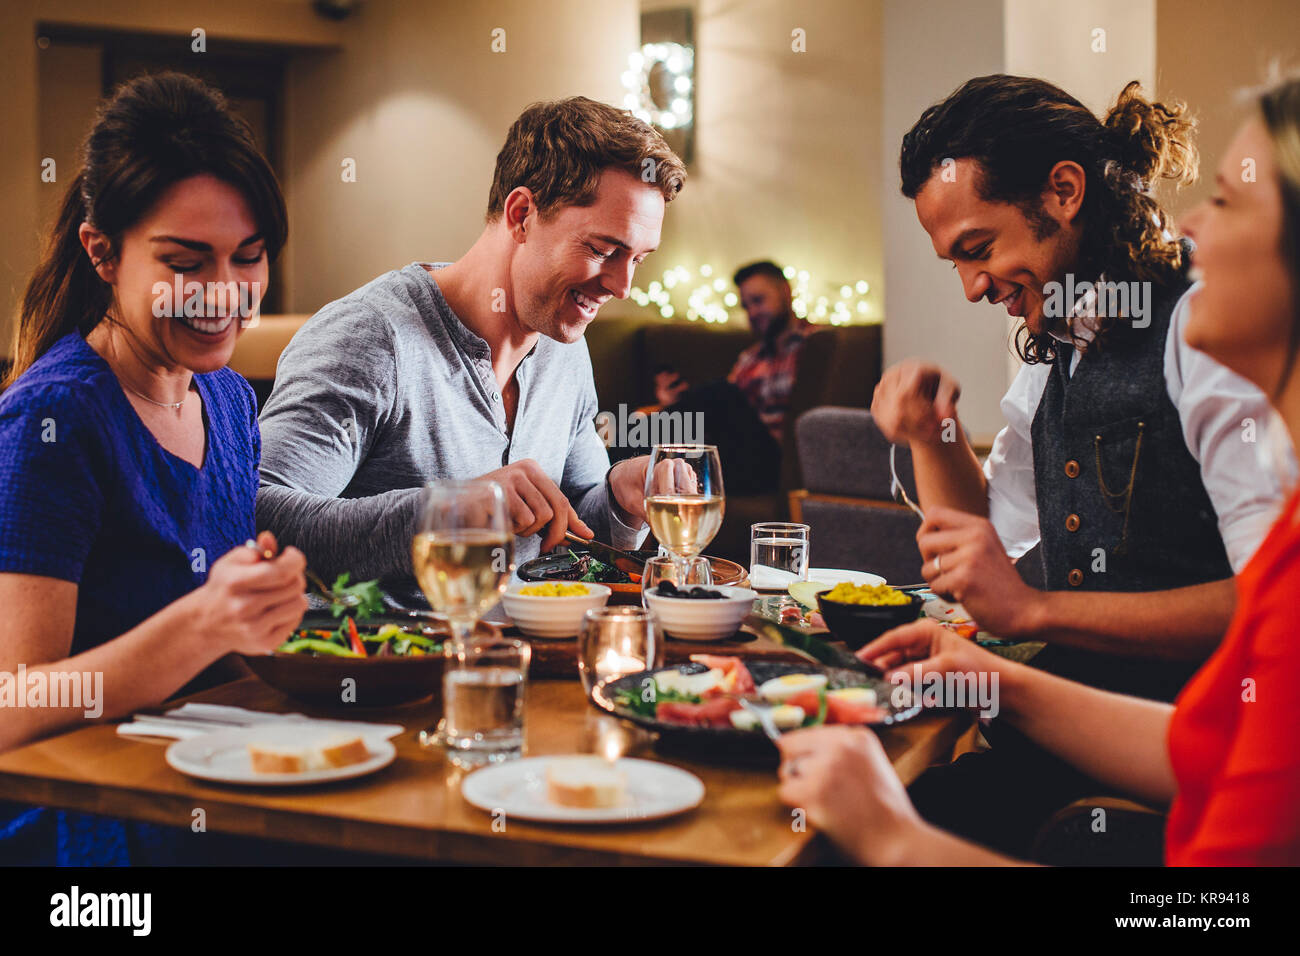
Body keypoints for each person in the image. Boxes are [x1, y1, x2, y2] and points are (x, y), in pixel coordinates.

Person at [778, 76, 1300, 867]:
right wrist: (933, 434)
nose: (972, 285)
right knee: (832, 830)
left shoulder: (1204, 335)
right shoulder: (1059, 346)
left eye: (979, 250)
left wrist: (1036, 616)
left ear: (1063, 191)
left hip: (1164, 740)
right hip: (1080, 730)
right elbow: (986, 562)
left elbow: (1260, 612)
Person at [0, 73, 308, 864]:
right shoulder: (58, 420)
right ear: (102, 251)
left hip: (205, 782)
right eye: (185, 263)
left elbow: (228, 653)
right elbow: (14, 701)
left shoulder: (231, 400)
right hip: (87, 826)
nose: (224, 296)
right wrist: (204, 624)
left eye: (248, 258)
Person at [256, 98, 686, 605]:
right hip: (385, 669)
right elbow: (259, 518)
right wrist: (455, 511)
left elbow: (574, 535)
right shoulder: (372, 336)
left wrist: (621, 495)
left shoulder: (562, 344)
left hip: (519, 661)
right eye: (601, 250)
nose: (622, 286)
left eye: (637, 258)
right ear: (521, 214)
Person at [644, 261, 809, 495]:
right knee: (697, 422)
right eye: (746, 305)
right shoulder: (750, 358)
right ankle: (626, 460)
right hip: (737, 457)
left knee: (722, 394)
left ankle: (619, 446)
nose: (752, 312)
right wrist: (674, 405)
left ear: (786, 292)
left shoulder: (813, 346)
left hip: (777, 462)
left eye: (758, 301)